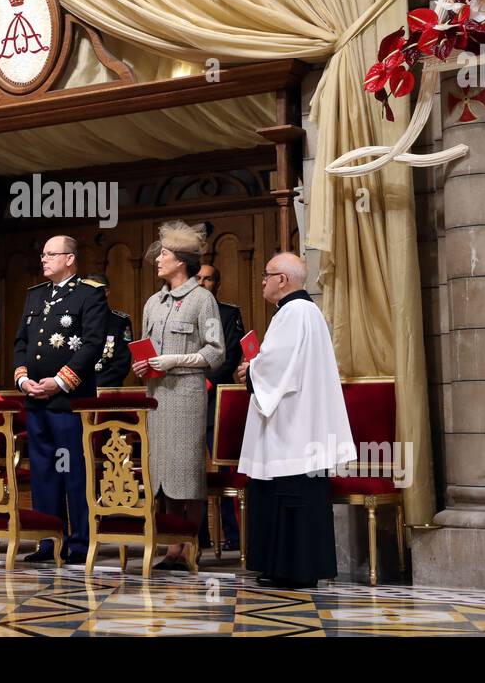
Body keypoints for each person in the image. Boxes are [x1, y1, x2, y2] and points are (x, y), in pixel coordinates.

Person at [235, 252, 355, 588]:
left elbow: (277, 368)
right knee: (295, 497)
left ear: (282, 280)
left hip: (291, 427)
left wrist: (250, 369)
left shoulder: (293, 313)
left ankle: (291, 570)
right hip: (302, 424)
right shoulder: (307, 312)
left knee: (287, 495)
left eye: (266, 275)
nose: (262, 281)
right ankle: (290, 567)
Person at [132, 221, 224, 570]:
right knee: (163, 474)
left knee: (187, 474)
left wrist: (175, 361)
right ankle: (170, 546)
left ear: (181, 261)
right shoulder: (153, 302)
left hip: (186, 394)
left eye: (164, 255)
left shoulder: (203, 299)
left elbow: (215, 352)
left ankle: (190, 543)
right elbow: (145, 347)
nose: (158, 260)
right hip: (157, 397)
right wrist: (143, 365)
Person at [12, 235, 106, 564]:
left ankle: (79, 544)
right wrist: (23, 379)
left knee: (73, 472)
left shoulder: (89, 294)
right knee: (43, 472)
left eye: (51, 254)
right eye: (43, 254)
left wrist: (59, 382)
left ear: (69, 259)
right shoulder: (35, 296)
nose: (44, 259)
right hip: (36, 401)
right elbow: (22, 341)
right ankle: (48, 542)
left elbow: (93, 344)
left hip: (69, 403)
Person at [197, 263, 244, 551]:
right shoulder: (184, 311)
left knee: (226, 471)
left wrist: (206, 383)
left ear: (217, 283)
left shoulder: (227, 313)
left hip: (216, 400)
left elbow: (230, 355)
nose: (203, 283)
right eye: (198, 278)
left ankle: (234, 536)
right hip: (186, 401)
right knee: (190, 473)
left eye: (209, 279)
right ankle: (196, 535)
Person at [86, 272, 133, 387]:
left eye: (95, 290)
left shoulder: (120, 321)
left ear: (106, 292)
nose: (90, 295)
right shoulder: (77, 321)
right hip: (77, 387)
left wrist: (98, 385)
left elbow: (122, 362)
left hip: (108, 387)